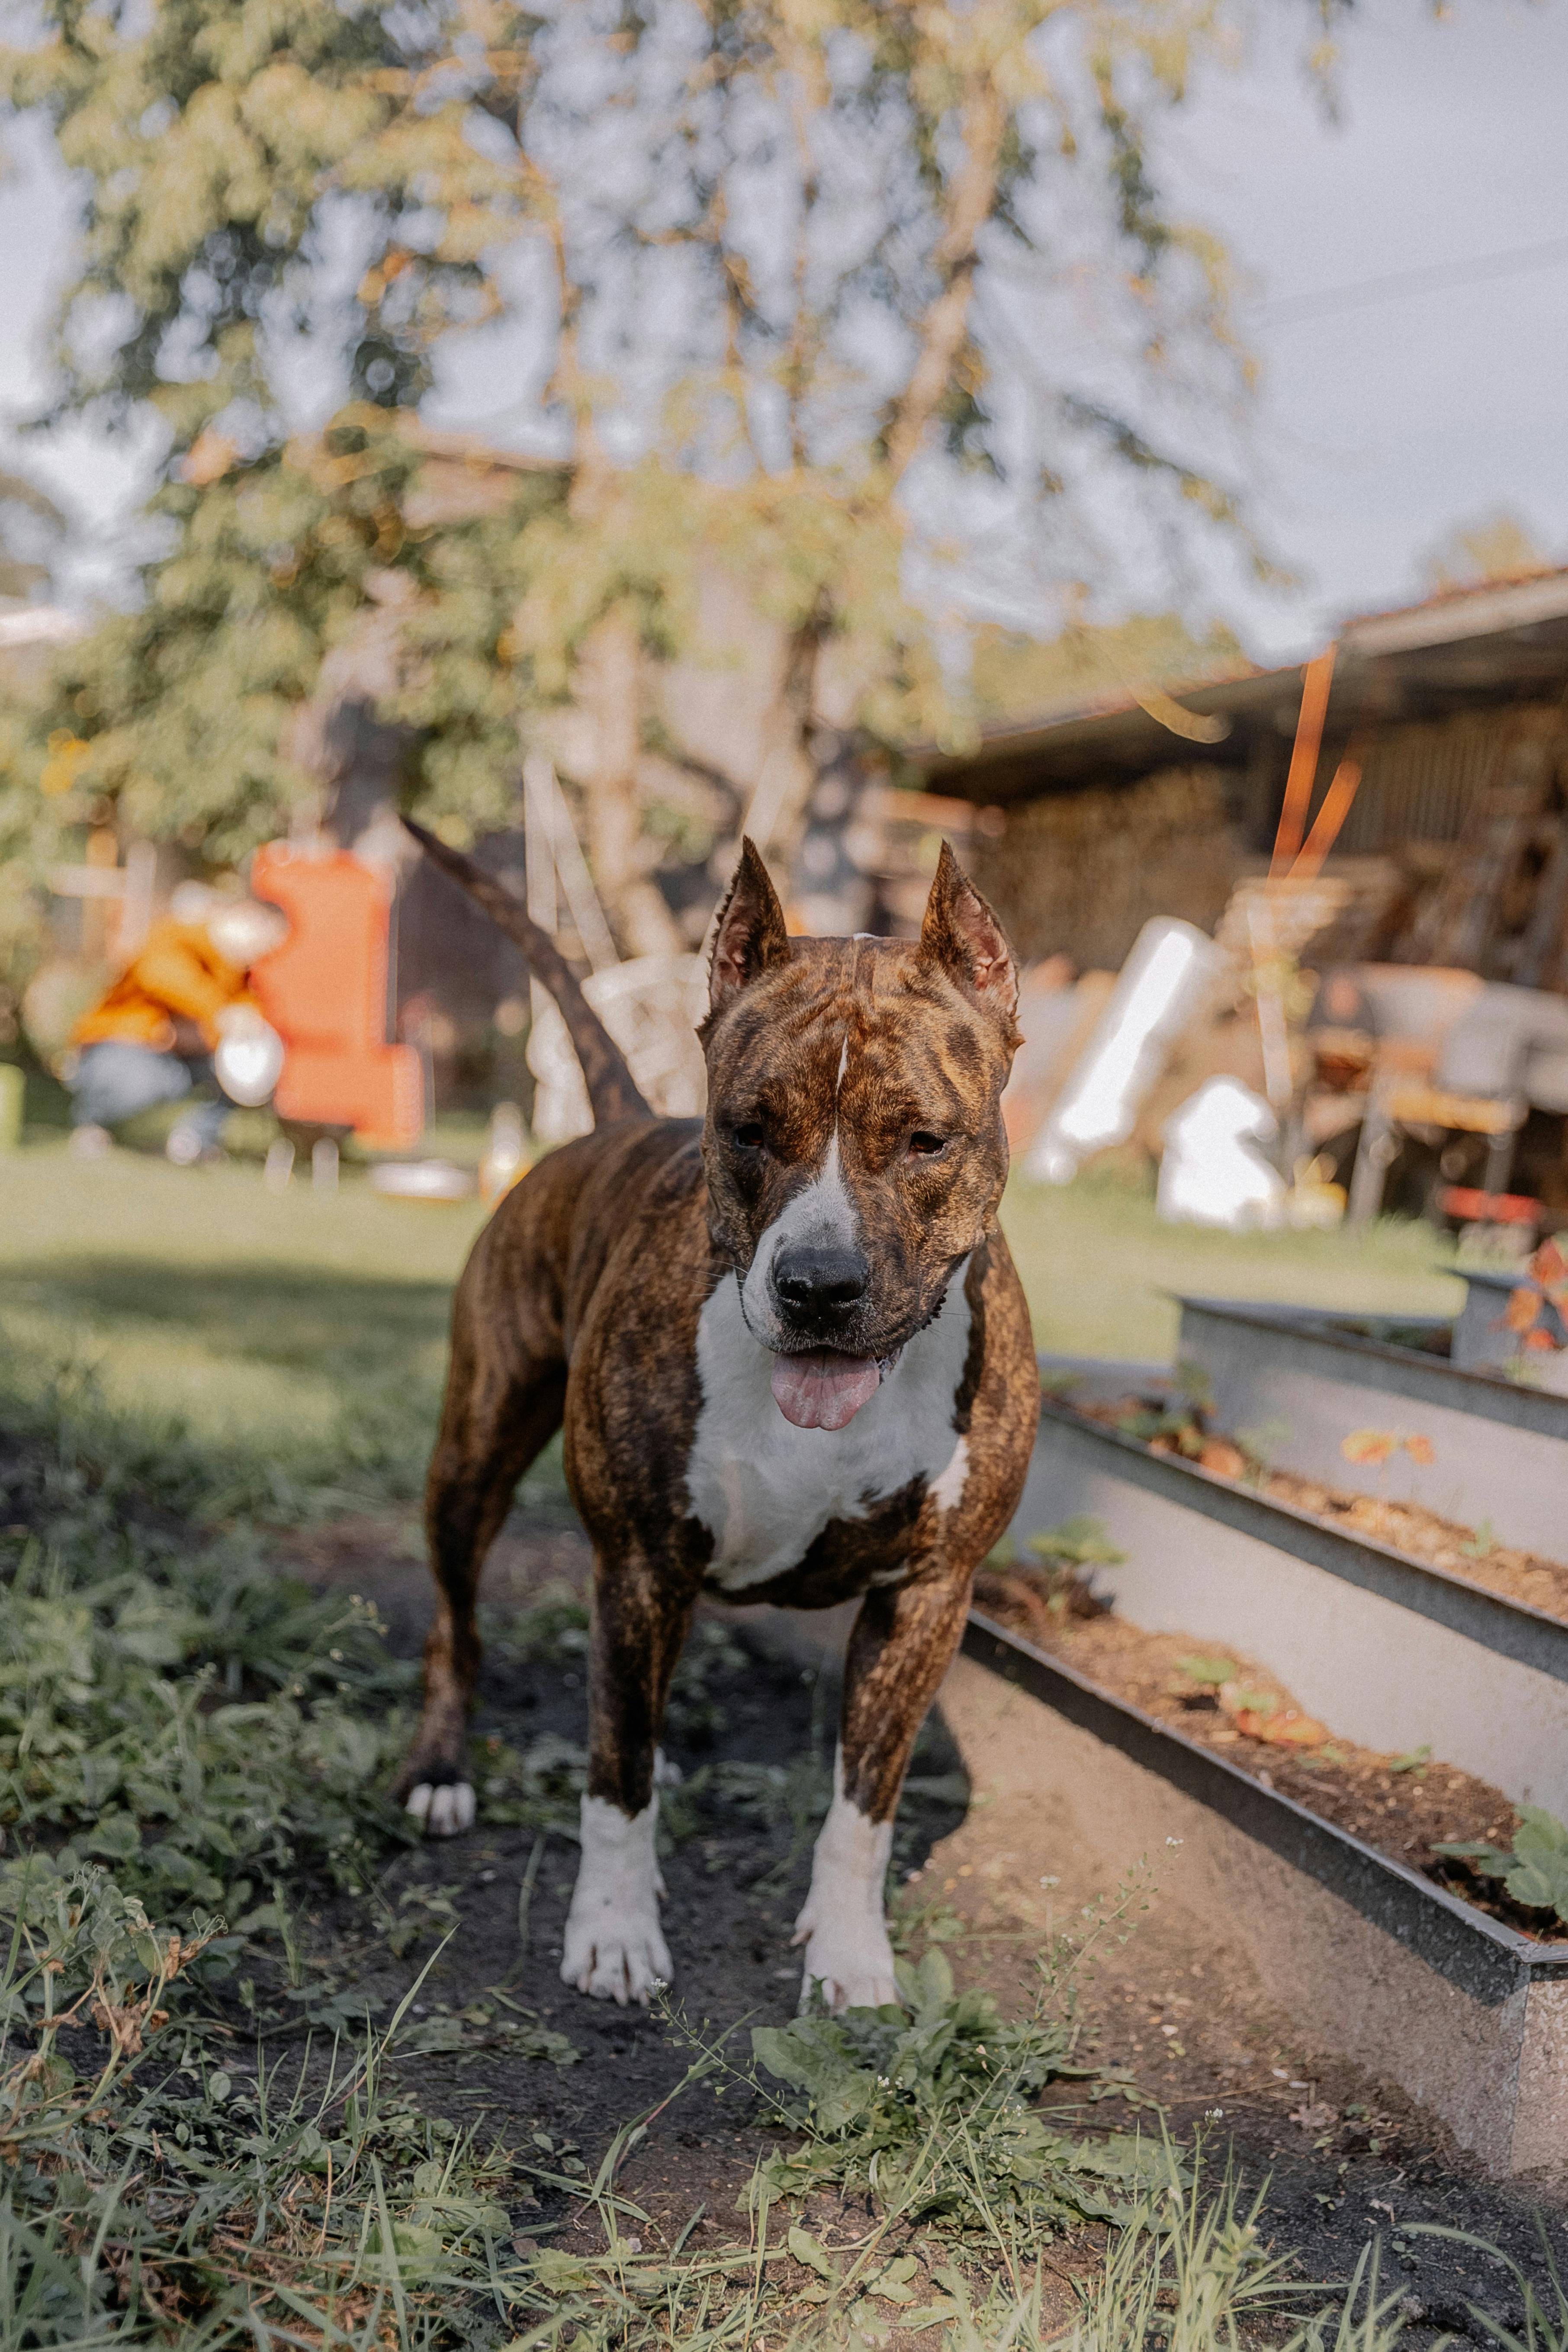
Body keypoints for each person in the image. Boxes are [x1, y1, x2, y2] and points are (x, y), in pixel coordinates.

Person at [67, 888, 289, 1163]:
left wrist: (224, 1027)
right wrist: (218, 1013)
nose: (262, 953)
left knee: (247, 1076)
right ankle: (92, 1122)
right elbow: (159, 975)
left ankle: (192, 1140)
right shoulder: (179, 934)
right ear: (245, 915)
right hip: (120, 1045)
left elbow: (245, 1017)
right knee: (144, 1081)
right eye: (264, 940)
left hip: (179, 1058)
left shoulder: (241, 976)